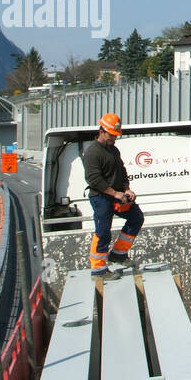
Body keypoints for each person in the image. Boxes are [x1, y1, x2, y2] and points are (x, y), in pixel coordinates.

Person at [82, 113, 144, 277]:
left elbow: (122, 171)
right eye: (112, 135)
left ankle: (118, 254)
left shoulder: (113, 150)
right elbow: (94, 180)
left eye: (116, 136)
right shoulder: (92, 153)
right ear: (102, 132)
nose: (114, 139)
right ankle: (98, 268)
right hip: (101, 198)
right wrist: (114, 193)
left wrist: (126, 189)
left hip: (117, 196)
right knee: (103, 231)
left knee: (136, 217)